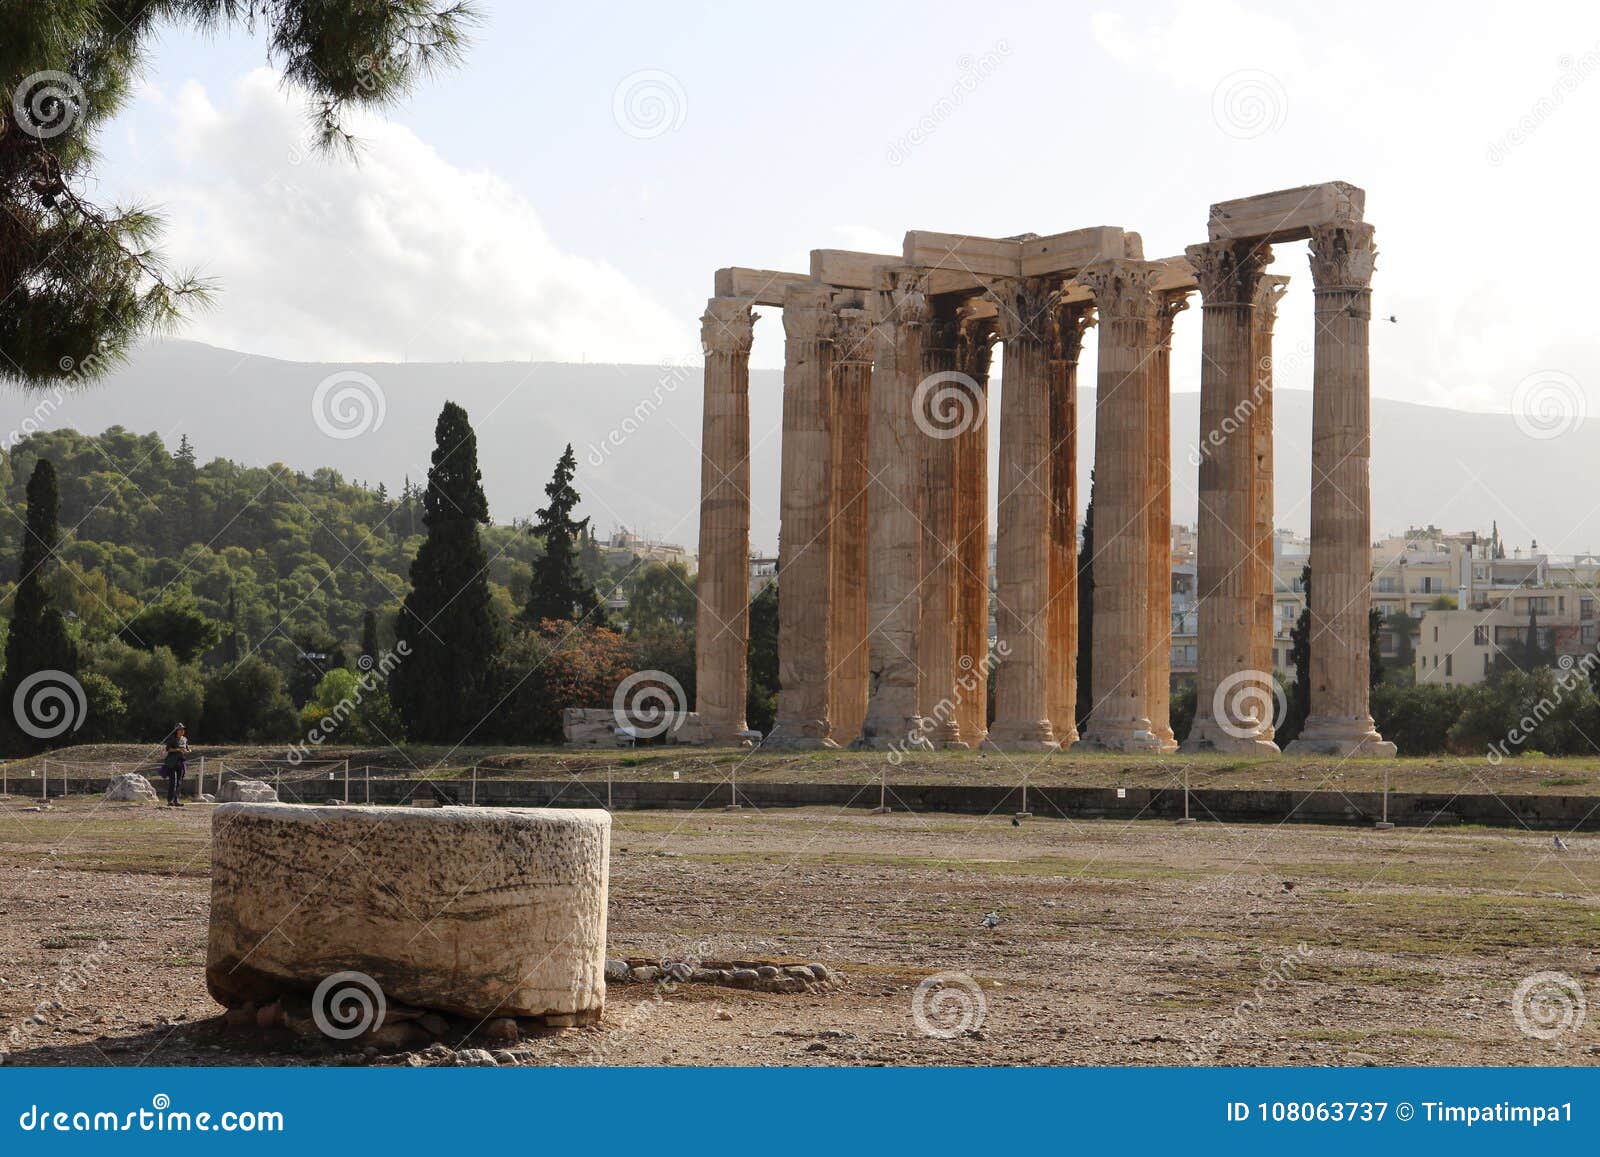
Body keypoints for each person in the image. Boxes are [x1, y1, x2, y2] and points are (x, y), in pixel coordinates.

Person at [162, 723, 189, 807]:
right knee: (173, 781)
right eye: (180, 729)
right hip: (172, 763)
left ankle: (176, 800)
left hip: (181, 762)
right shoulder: (172, 739)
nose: (182, 731)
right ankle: (170, 801)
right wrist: (177, 750)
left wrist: (186, 751)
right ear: (176, 731)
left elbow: (188, 748)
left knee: (179, 782)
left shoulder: (185, 739)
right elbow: (168, 749)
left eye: (183, 729)